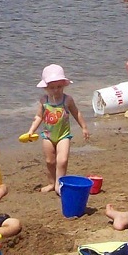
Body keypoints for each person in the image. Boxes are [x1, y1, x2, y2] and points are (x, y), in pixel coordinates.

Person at [23, 64, 91, 193]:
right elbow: (38, 117)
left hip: (63, 135)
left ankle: (59, 185)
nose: (56, 90)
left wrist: (84, 127)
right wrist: (31, 131)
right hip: (47, 136)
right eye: (52, 87)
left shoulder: (67, 100)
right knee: (50, 161)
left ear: (64, 85)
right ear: (46, 88)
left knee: (62, 160)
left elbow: (77, 113)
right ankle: (51, 183)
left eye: (59, 87)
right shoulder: (44, 101)